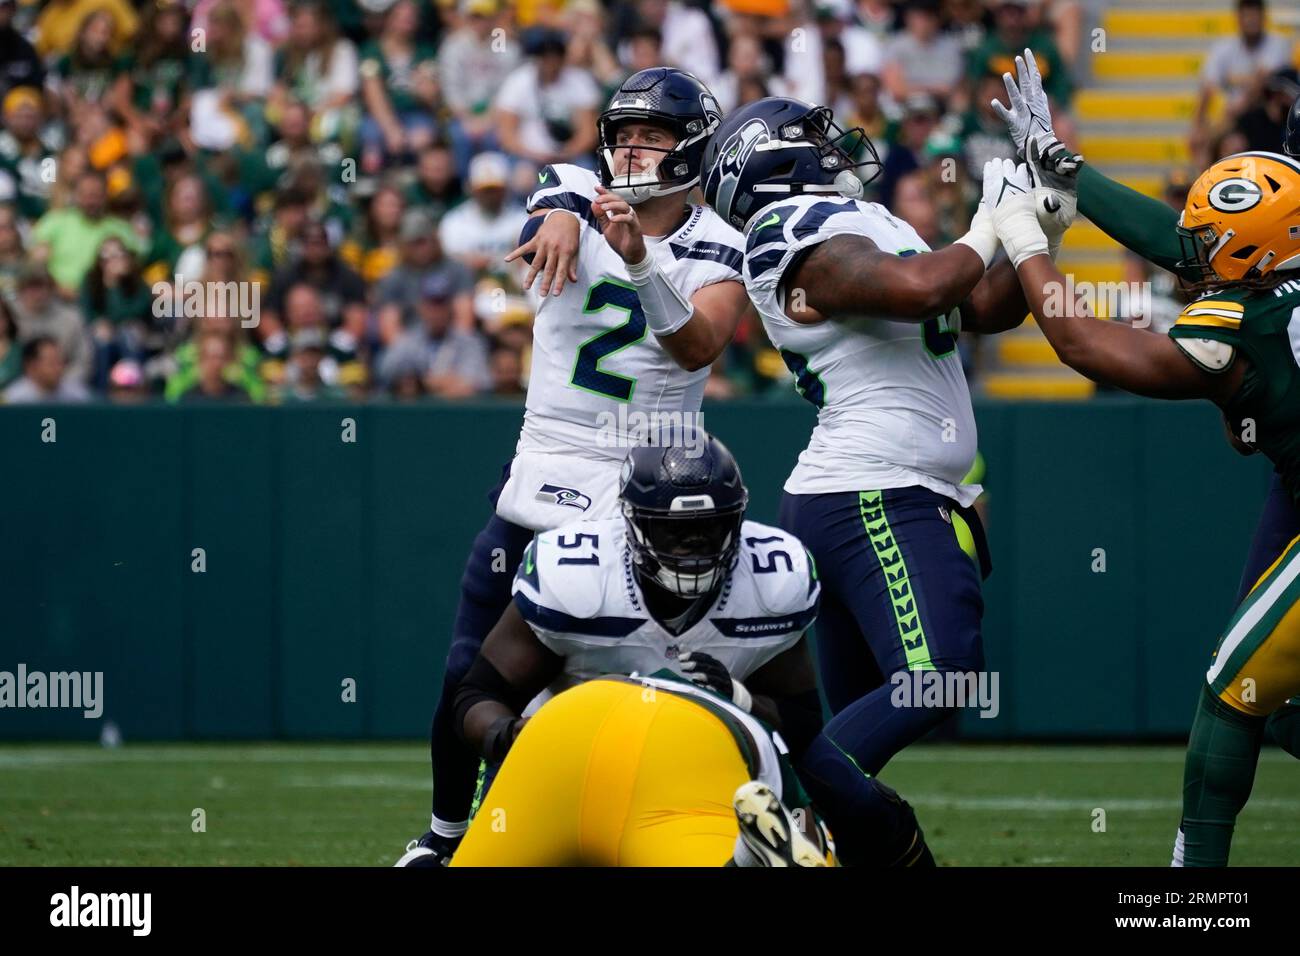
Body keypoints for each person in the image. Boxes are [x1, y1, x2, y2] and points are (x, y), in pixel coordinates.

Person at [401, 68, 752, 865]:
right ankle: (443, 838)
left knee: (631, 697)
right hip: (539, 475)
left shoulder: (724, 246)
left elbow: (700, 343)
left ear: (690, 147)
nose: (631, 148)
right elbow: (554, 198)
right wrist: (561, 215)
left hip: (648, 502)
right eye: (622, 132)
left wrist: (636, 262)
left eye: (651, 135)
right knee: (468, 672)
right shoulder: (573, 186)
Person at [700, 94, 1054, 862]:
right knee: (942, 674)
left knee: (854, 739)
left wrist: (1045, 207)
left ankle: (802, 831)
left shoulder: (866, 226)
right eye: (812, 140)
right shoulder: (788, 235)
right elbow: (925, 288)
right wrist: (992, 221)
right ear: (774, 162)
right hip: (871, 492)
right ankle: (788, 805)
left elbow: (983, 303)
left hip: (878, 491)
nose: (835, 148)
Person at [989, 54, 1300, 867]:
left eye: (1214, 244)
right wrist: (1070, 170)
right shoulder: (1272, 272)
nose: (1193, 254)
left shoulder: (1241, 326)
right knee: (1277, 693)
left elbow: (1084, 341)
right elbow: (1188, 242)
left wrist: (1027, 242)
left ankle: (1190, 894)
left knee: (1234, 687)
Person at [421, 434, 831, 867]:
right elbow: (477, 695)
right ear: (633, 523)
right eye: (674, 529)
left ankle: (755, 853)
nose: (693, 543)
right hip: (569, 771)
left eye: (709, 527)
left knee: (841, 788)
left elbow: (802, 721)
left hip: (689, 777)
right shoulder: (576, 577)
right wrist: (510, 736)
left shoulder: (772, 580)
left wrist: (738, 698)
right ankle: (746, 859)